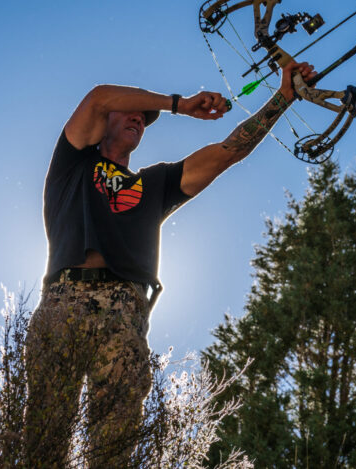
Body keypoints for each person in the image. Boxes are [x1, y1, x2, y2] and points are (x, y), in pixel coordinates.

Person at [23, 61, 316, 467]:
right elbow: (99, 97)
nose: (138, 120)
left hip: (124, 315)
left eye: (144, 119)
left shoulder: (154, 184)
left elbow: (229, 152)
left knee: (113, 451)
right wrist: (179, 104)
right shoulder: (72, 163)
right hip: (64, 303)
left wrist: (283, 97)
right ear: (105, 121)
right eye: (130, 112)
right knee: (43, 445)